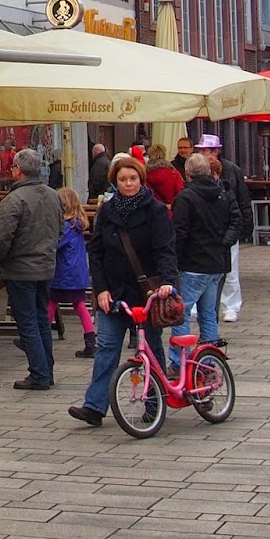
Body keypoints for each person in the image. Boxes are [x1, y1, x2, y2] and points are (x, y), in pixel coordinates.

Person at [67, 155, 178, 427]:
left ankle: (155, 403)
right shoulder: (107, 210)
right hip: (114, 293)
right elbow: (97, 251)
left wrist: (166, 281)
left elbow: (165, 249)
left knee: (151, 350)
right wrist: (101, 289)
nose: (128, 184)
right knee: (106, 348)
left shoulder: (155, 210)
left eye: (132, 179)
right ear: (115, 183)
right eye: (122, 180)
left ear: (141, 180)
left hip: (147, 295)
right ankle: (94, 406)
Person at [0, 149, 64, 390]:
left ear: (17, 170)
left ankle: (39, 373)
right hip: (45, 266)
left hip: (21, 268)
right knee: (42, 318)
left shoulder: (14, 199)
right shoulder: (53, 196)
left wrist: (0, 260)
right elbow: (60, 230)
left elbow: (2, 237)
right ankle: (47, 370)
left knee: (28, 322)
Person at [172, 153, 242, 356]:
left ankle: (180, 360)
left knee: (181, 314)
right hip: (217, 263)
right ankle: (209, 361)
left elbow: (180, 232)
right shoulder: (223, 194)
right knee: (208, 314)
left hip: (193, 264)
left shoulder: (185, 197)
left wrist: (175, 260)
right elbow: (236, 221)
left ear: (187, 174)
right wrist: (224, 243)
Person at [196, 134, 253, 323]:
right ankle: (199, 304)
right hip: (204, 227)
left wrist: (245, 225)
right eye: (202, 150)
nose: (204, 153)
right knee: (199, 268)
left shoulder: (232, 170)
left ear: (216, 151)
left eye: (207, 150)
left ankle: (231, 306)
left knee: (230, 270)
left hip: (228, 225)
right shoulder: (196, 168)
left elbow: (243, 198)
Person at [53, 188, 96, 357]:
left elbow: (55, 244)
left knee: (50, 302)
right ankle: (90, 340)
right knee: (79, 305)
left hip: (65, 273)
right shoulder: (77, 224)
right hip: (77, 273)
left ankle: (39, 338)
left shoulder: (66, 227)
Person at [145, 143, 185, 208]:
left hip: (152, 210)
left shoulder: (144, 174)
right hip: (171, 209)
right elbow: (180, 191)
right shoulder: (174, 172)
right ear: (164, 155)